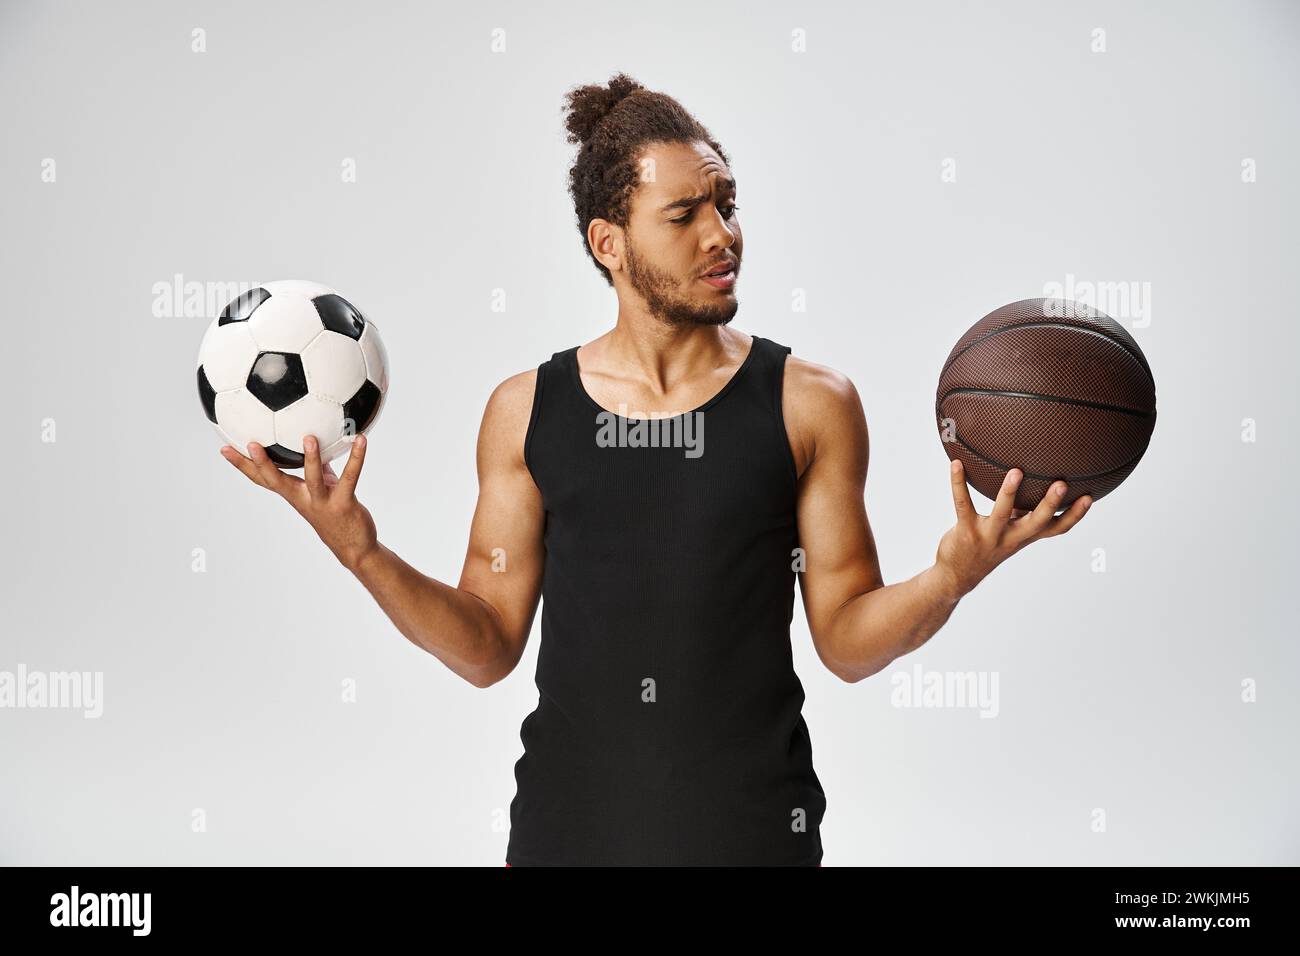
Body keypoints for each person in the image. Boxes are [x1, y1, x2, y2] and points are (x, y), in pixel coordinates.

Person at [218, 73, 1092, 866]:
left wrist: (953, 574)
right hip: (567, 840)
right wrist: (360, 551)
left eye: (727, 202)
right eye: (684, 215)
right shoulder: (525, 412)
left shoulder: (809, 403)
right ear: (609, 242)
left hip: (757, 839)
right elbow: (487, 647)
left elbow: (847, 642)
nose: (723, 235)